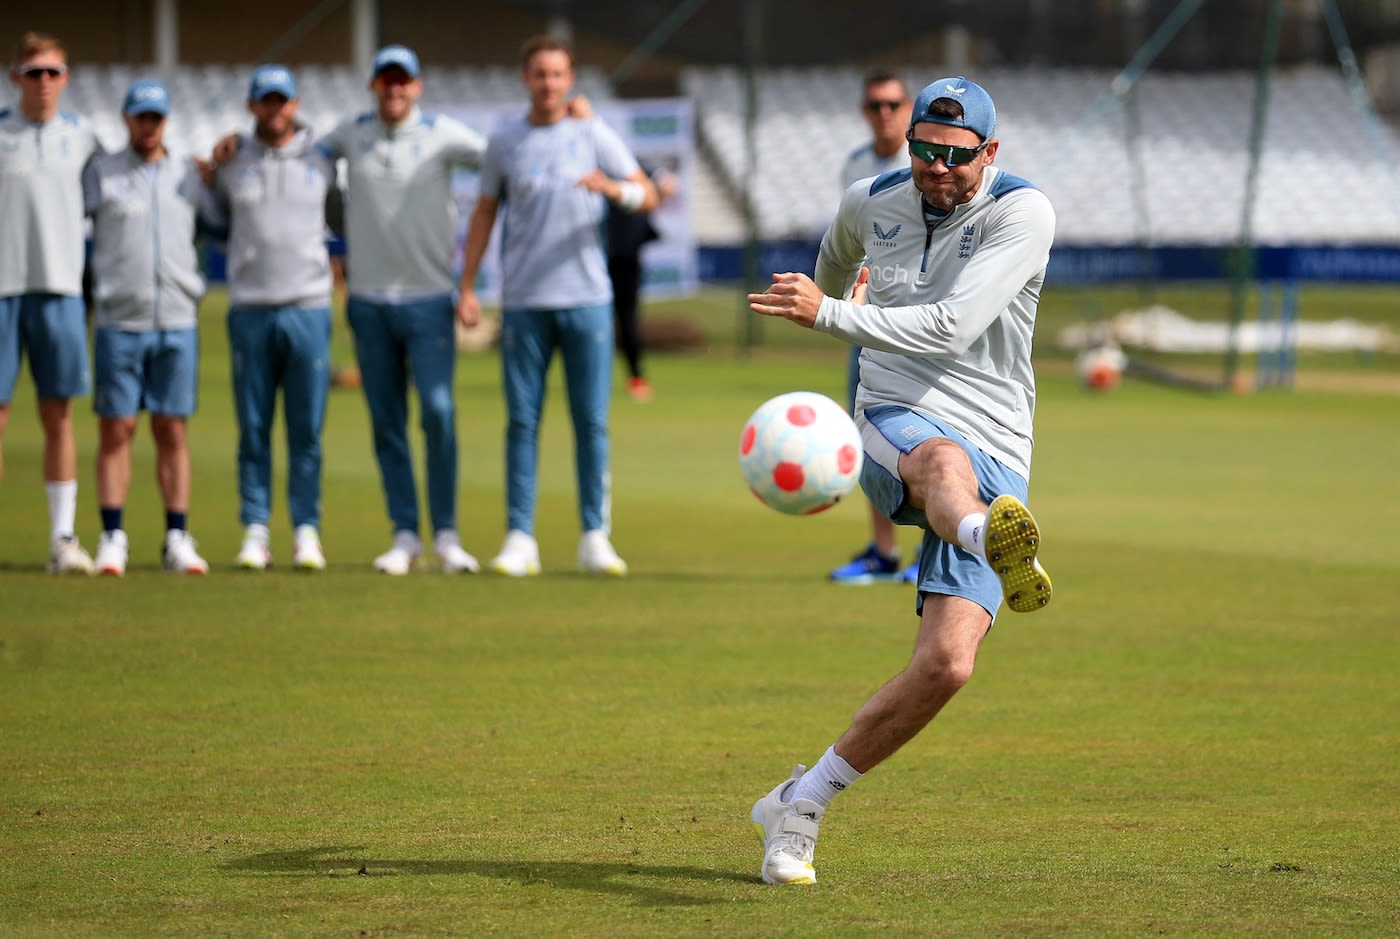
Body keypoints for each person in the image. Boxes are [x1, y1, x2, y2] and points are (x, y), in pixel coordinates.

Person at [745, 76, 1056, 884]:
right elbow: (831, 264)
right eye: (922, 150)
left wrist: (833, 312)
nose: (934, 168)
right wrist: (837, 297)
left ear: (990, 152)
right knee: (942, 464)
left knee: (947, 665)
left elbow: (953, 326)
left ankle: (798, 797)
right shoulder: (870, 198)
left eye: (953, 157)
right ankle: (989, 531)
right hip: (893, 413)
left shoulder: (1024, 212)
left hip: (1001, 437)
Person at [456, 35, 658, 577]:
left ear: (570, 80)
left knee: (590, 422)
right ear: (526, 78)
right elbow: (483, 214)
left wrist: (615, 191)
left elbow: (648, 192)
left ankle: (595, 535)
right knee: (522, 422)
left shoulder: (591, 133)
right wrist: (468, 285)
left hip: (587, 300)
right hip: (524, 302)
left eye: (557, 74)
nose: (548, 83)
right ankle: (519, 538)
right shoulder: (505, 140)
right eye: (539, 74)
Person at [314, 45, 488, 576]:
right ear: (374, 86)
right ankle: (405, 534)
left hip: (430, 299)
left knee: (438, 412)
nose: (394, 90)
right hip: (368, 302)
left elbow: (500, 159)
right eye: (386, 81)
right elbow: (302, 154)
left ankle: (448, 535)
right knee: (387, 419)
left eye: (403, 82)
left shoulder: (443, 132)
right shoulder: (351, 133)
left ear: (417, 86)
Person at [202, 65, 338, 571]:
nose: (275, 109)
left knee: (307, 430)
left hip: (307, 308)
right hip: (251, 310)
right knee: (253, 428)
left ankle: (307, 531)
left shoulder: (322, 161)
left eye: (283, 100)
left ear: (295, 104)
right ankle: (255, 530)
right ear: (252, 105)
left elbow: (341, 222)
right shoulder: (232, 164)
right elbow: (215, 224)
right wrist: (212, 168)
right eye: (266, 101)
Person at [83, 79, 209, 575]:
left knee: (171, 429)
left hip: (177, 318)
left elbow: (215, 224)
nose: (149, 125)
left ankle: (177, 535)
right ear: (126, 119)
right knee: (118, 428)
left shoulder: (189, 175)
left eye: (156, 117)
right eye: (141, 117)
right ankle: (112, 534)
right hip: (120, 318)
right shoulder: (102, 173)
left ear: (166, 121)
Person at [0, 32, 100, 574]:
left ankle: (63, 539)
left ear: (65, 78)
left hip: (60, 287)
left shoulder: (84, 137)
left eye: (53, 72)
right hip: (1, 289)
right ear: (15, 76)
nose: (43, 82)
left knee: (58, 414)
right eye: (33, 71)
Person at [828, 67, 918, 587]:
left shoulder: (932, 163)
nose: (883, 114)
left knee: (937, 433)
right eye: (874, 106)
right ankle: (884, 553)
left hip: (920, 326)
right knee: (868, 437)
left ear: (908, 108)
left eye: (892, 104)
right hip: (868, 326)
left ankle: (934, 553)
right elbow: (851, 245)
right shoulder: (857, 167)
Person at [606, 162, 679, 403]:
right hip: (596, 258)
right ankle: (592, 377)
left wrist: (662, 189)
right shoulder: (593, 169)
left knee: (627, 320)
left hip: (626, 258)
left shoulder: (636, 168)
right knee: (592, 323)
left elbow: (668, 184)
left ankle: (636, 377)